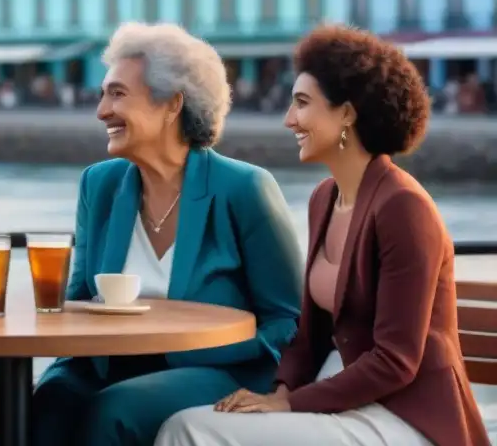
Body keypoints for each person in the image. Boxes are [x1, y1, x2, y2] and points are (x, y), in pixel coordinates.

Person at [157, 24, 490, 446]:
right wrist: (279, 391)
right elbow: (309, 335)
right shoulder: (324, 198)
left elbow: (395, 361)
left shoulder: (405, 209)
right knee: (187, 423)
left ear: (347, 113)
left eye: (302, 103)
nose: (288, 119)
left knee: (188, 430)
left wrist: (292, 405)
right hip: (341, 393)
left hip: (405, 416)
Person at [30, 22, 304, 446]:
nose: (101, 110)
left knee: (114, 411)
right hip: (111, 361)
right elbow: (81, 295)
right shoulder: (98, 184)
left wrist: (229, 356)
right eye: (103, 94)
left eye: (117, 94)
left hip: (219, 369)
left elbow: (287, 319)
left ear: (173, 104)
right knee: (48, 401)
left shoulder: (245, 188)